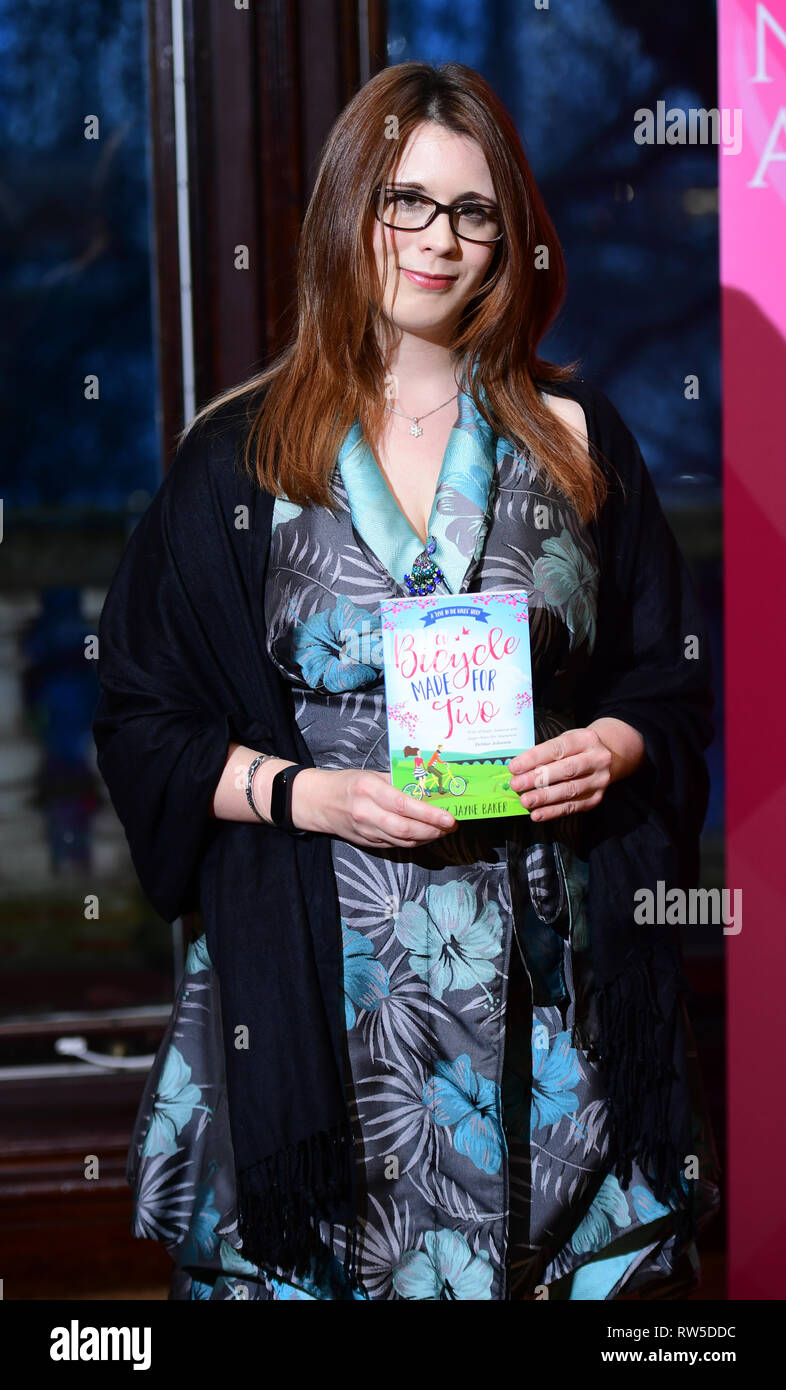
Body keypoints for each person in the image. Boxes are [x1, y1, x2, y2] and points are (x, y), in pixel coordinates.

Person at [93, 61, 720, 1301]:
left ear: (510, 236)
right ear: (348, 211)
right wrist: (306, 796)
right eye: (405, 201)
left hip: (554, 1004)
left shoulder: (580, 442)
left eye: (472, 209)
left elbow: (668, 682)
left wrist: (617, 747)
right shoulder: (239, 461)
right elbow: (140, 723)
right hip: (325, 999)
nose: (438, 238)